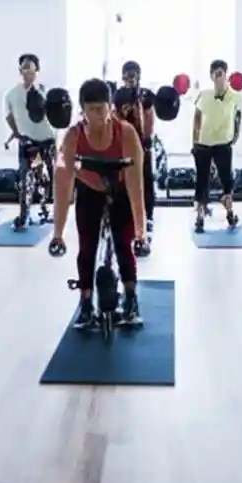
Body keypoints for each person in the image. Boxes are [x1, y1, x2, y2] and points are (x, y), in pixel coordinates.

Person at [50, 79, 147, 328]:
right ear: (82, 110)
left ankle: (131, 297)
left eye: (101, 108)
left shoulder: (126, 133)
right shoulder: (72, 137)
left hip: (121, 188)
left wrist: (141, 232)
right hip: (89, 189)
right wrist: (57, 234)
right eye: (91, 109)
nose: (97, 115)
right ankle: (85, 301)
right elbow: (62, 186)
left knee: (124, 244)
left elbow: (137, 185)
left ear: (110, 107)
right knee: (87, 247)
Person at [3, 53, 57, 222]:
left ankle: (48, 209)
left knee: (51, 176)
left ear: (37, 70)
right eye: (24, 66)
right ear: (20, 70)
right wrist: (16, 133)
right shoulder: (11, 94)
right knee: (25, 177)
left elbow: (56, 116)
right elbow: (9, 116)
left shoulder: (45, 91)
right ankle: (24, 214)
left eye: (31, 67)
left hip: (47, 139)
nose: (28, 70)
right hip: (27, 141)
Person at [191, 59, 242, 232]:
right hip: (204, 143)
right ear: (211, 76)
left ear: (226, 75)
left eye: (221, 73)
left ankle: (229, 212)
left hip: (223, 143)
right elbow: (197, 117)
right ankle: (199, 216)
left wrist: (236, 135)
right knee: (202, 181)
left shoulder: (235, 96)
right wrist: (194, 141)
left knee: (227, 180)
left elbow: (238, 116)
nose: (218, 76)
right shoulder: (205, 95)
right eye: (215, 74)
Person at [115, 60, 156, 232]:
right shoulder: (118, 95)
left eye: (133, 74)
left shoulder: (146, 95)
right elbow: (115, 116)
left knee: (146, 180)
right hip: (124, 144)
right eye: (126, 74)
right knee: (122, 181)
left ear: (138, 76)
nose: (129, 78)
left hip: (142, 143)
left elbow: (150, 117)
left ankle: (148, 217)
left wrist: (147, 139)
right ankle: (125, 214)